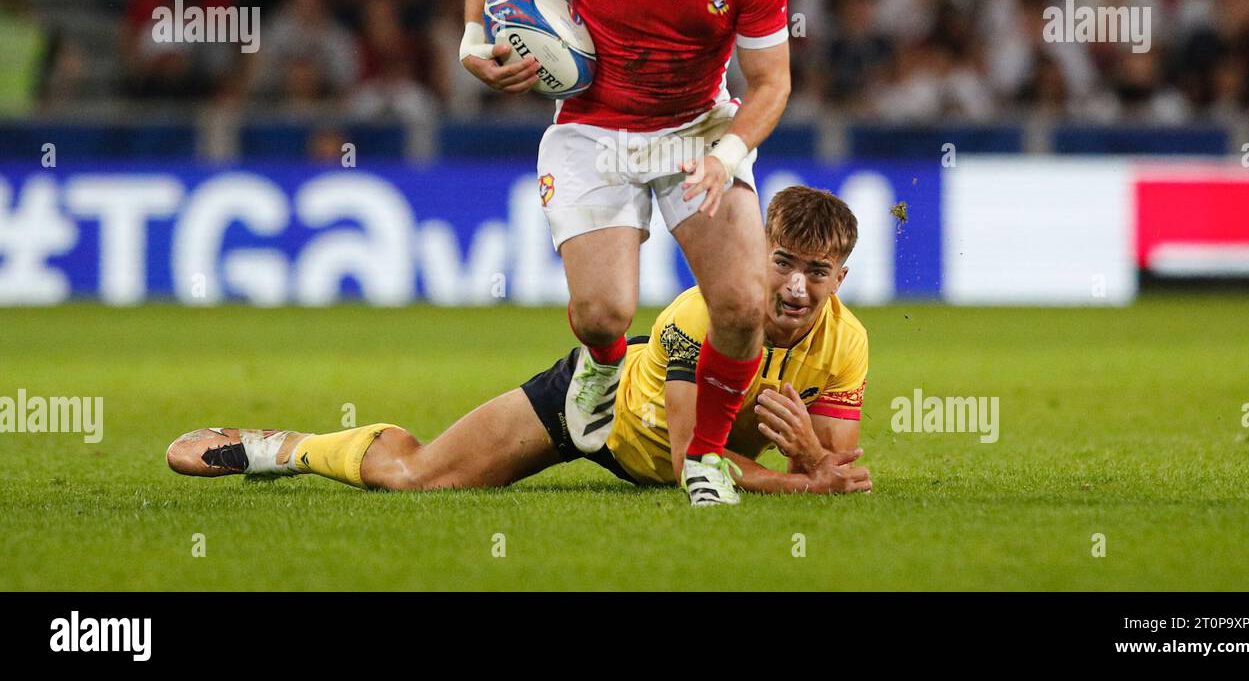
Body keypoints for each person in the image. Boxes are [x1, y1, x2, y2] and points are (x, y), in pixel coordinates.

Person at [457, 0, 791, 504]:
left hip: (695, 127)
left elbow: (771, 84)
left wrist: (726, 156)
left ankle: (703, 458)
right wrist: (470, 43)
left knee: (741, 304)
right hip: (591, 129)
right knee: (603, 315)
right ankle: (602, 364)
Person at [166, 187, 870, 502]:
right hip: (595, 410)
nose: (798, 288)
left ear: (840, 276)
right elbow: (695, 463)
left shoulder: (847, 341)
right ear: (754, 253)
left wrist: (813, 459)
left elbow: (839, 462)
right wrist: (802, 481)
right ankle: (275, 449)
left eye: (817, 272)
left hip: (664, 448)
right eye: (782, 262)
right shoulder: (697, 316)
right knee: (416, 479)